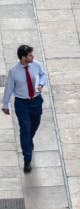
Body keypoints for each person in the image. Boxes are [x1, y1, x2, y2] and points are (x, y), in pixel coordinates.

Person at [2, 45, 47, 173]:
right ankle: (27, 159)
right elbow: (9, 87)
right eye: (30, 55)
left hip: (36, 100)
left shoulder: (36, 65)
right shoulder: (13, 71)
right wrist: (5, 105)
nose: (32, 57)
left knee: (35, 124)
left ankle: (28, 140)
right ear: (23, 58)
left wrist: (41, 84)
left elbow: (43, 75)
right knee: (25, 129)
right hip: (22, 103)